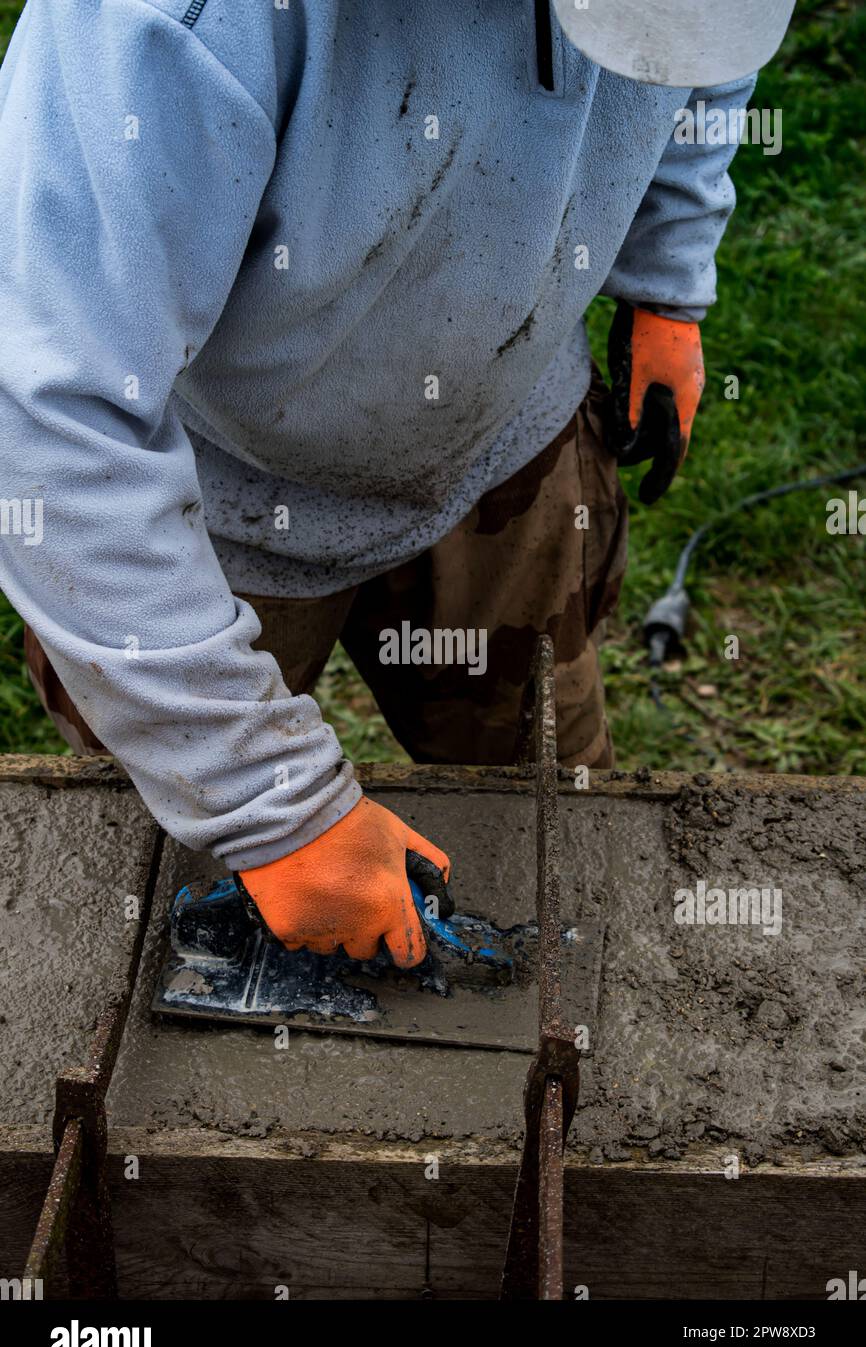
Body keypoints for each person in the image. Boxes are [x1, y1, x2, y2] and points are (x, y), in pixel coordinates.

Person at [0, 0, 793, 965]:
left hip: (506, 449)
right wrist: (265, 807)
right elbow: (45, 411)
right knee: (180, 913)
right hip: (213, 511)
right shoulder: (166, 21)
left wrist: (667, 275)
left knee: (558, 831)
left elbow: (693, 53)